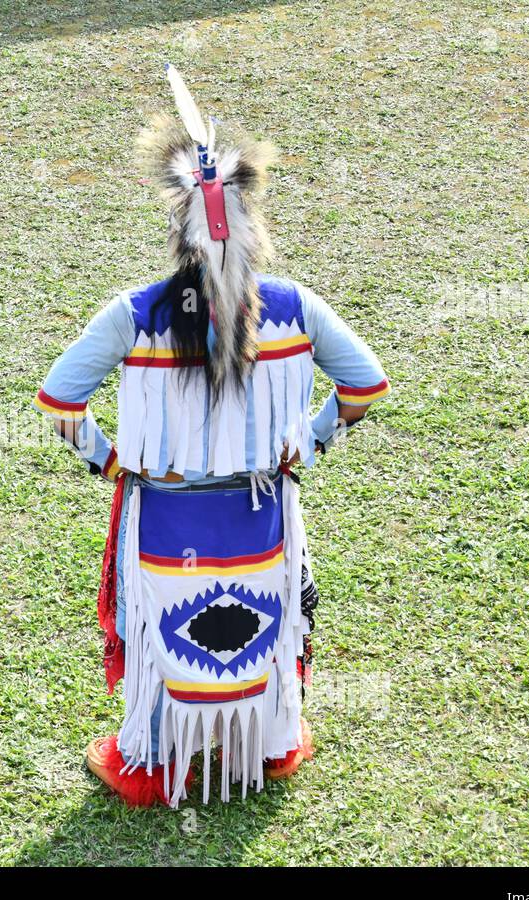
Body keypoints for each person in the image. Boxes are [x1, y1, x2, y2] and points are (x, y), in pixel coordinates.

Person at [34, 66, 390, 808]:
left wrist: (111, 464)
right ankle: (260, 746)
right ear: (253, 225)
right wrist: (310, 443)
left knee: (167, 638)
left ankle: (160, 758)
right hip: (263, 518)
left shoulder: (134, 314)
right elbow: (364, 387)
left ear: (178, 232)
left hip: (164, 519)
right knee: (253, 630)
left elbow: (59, 398)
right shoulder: (298, 308)